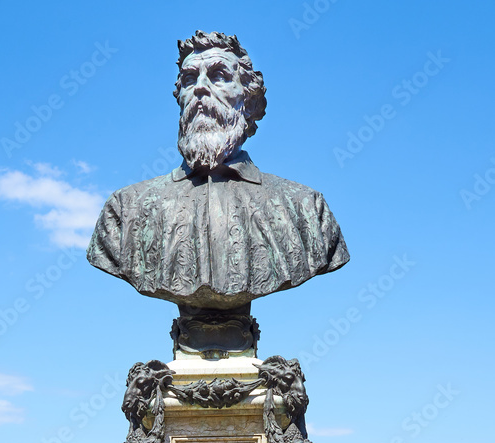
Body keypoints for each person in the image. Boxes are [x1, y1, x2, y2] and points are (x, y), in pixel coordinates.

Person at [87, 30, 349, 315]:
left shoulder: (304, 207)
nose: (200, 88)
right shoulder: (126, 209)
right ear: (180, 97)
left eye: (219, 76)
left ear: (248, 100)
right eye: (189, 79)